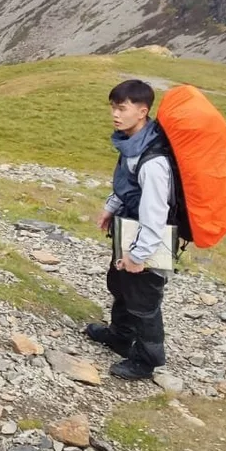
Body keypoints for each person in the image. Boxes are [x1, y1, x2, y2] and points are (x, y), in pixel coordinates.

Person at [85, 78, 174, 380]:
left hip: (149, 235)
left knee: (144, 298)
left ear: (142, 111)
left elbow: (156, 213)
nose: (115, 114)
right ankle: (121, 337)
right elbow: (126, 183)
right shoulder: (132, 144)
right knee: (121, 284)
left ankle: (146, 361)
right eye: (113, 107)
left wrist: (140, 255)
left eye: (122, 108)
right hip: (129, 224)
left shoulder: (153, 161)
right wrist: (111, 206)